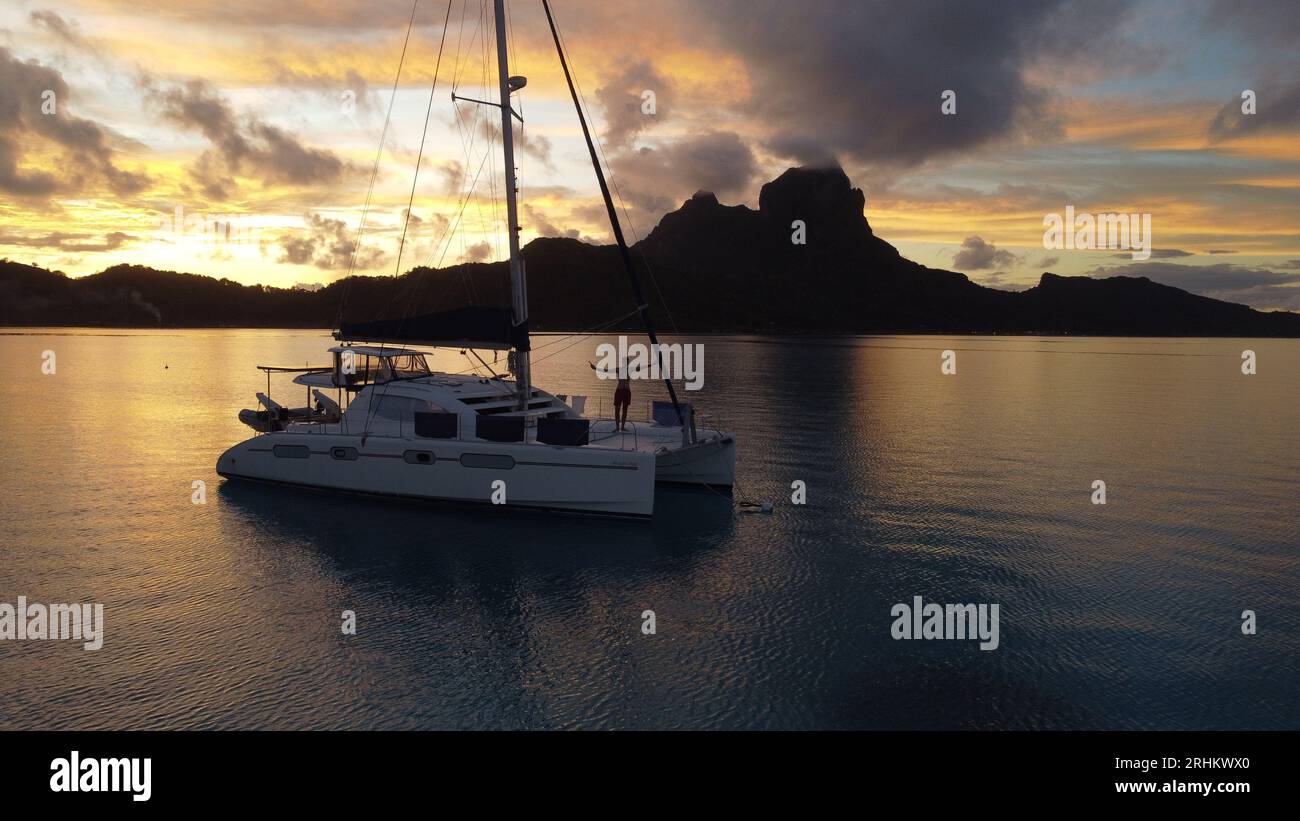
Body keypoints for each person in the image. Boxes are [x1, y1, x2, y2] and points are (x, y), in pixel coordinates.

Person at [590, 358, 632, 431]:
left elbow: (643, 367)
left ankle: (622, 427)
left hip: (627, 391)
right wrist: (595, 368)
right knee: (617, 410)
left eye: (627, 362)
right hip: (619, 391)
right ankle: (617, 427)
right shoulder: (618, 369)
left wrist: (653, 364)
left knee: (625, 410)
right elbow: (606, 370)